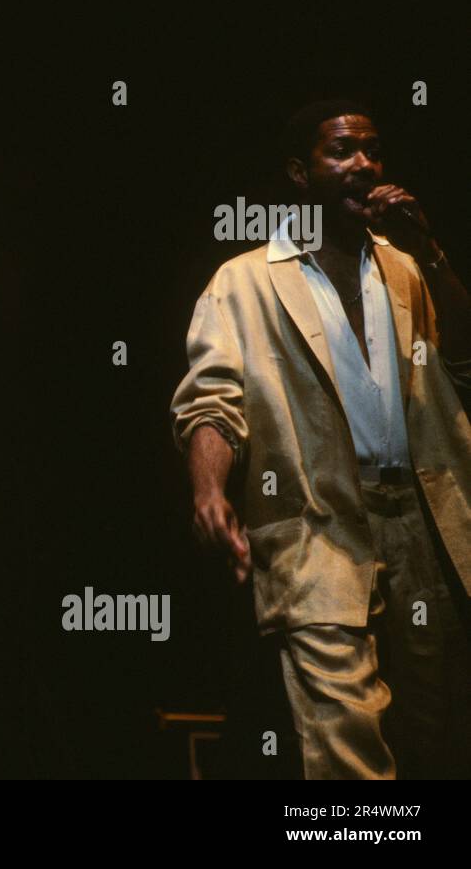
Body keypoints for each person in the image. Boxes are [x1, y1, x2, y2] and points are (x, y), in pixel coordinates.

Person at [171, 99, 471, 778]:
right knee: (345, 742)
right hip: (318, 525)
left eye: (372, 150)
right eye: (341, 151)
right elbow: (211, 401)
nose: (363, 164)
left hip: (424, 525)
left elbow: (465, 365)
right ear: (299, 173)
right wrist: (209, 489)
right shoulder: (243, 282)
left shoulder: (408, 267)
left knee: (437, 739)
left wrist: (431, 251)